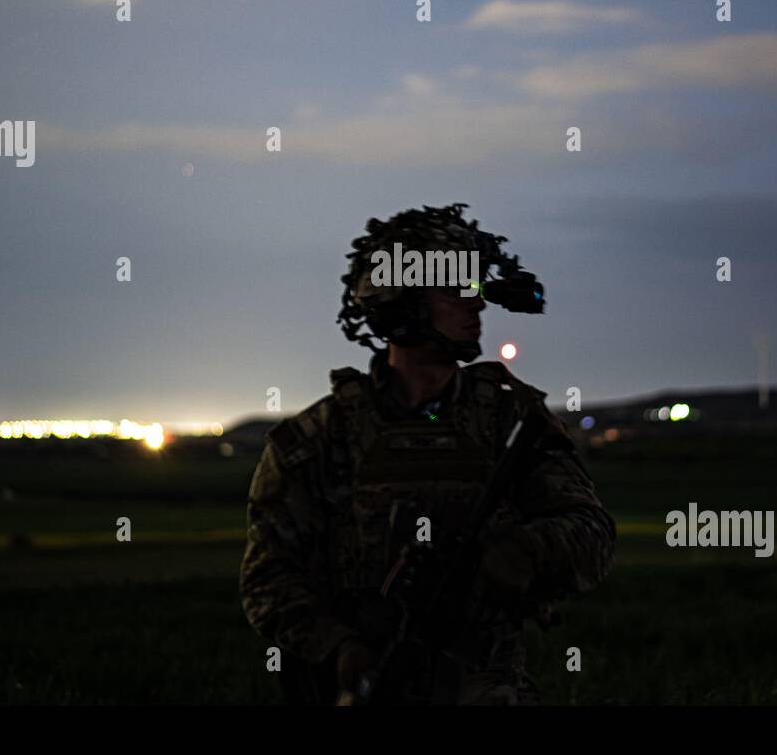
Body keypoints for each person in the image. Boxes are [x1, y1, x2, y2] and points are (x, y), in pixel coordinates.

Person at [239, 203, 615, 704]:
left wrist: (525, 553)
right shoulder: (318, 439)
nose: (476, 304)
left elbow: (592, 531)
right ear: (403, 303)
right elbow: (267, 577)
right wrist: (340, 647)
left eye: (476, 287)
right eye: (456, 290)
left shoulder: (510, 421)